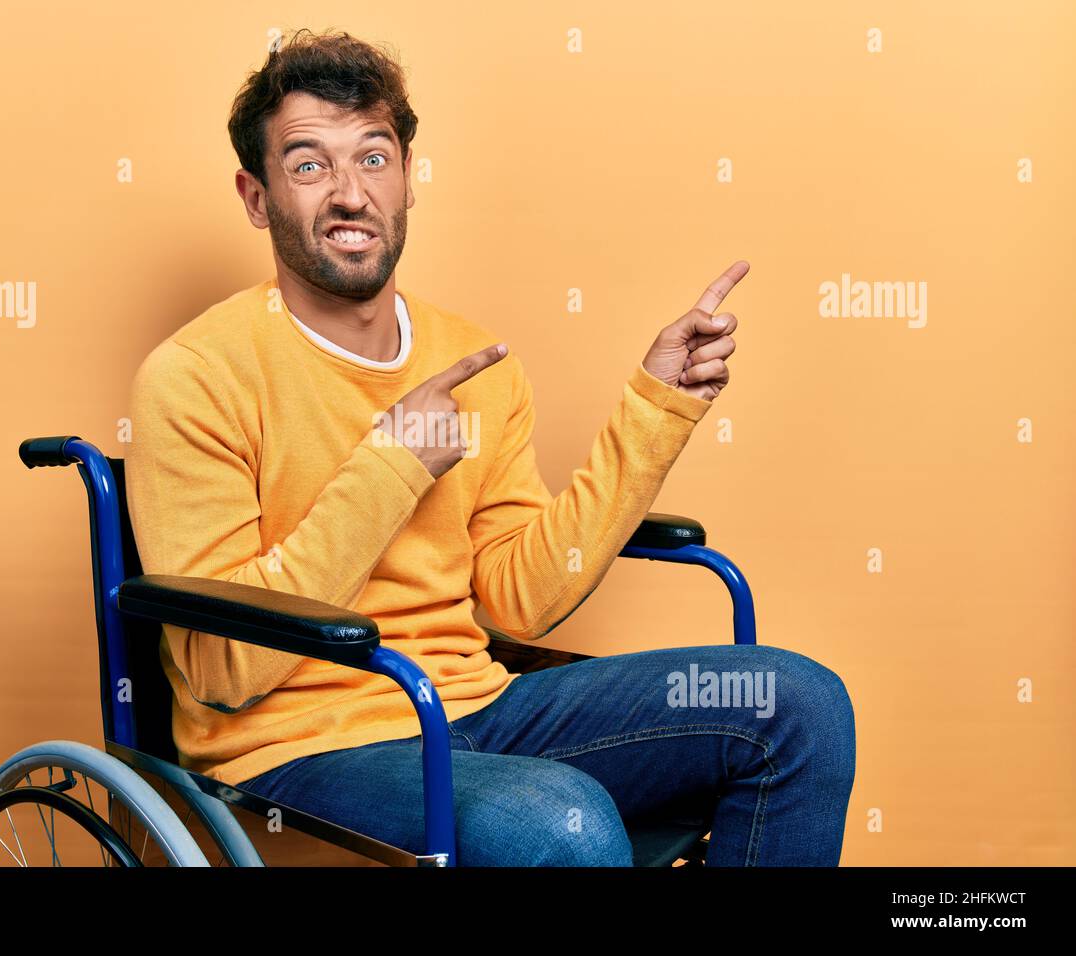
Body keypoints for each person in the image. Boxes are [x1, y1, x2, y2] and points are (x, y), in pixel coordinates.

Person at [125, 28, 855, 866]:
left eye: (373, 157)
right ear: (257, 198)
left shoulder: (473, 361)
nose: (349, 193)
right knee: (558, 819)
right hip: (299, 750)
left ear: (406, 180)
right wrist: (392, 467)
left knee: (797, 701)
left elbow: (518, 603)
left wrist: (659, 410)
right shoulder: (194, 375)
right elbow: (221, 672)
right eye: (308, 164)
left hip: (475, 709)